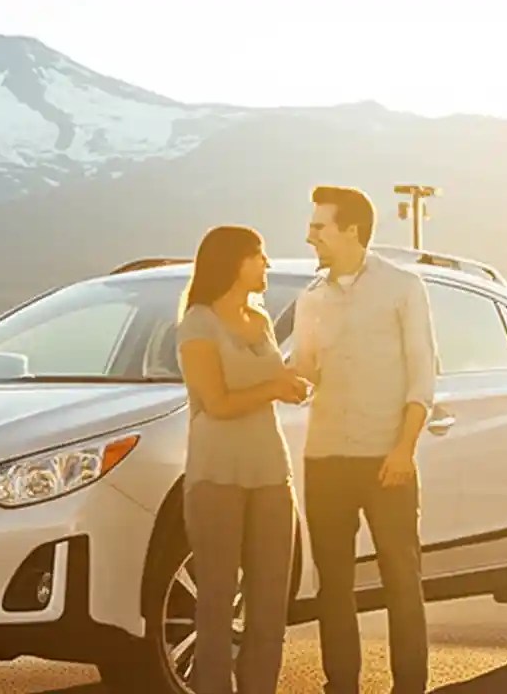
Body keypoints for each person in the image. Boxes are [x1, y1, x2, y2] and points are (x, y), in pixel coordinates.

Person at [292, 186, 438, 694]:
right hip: (325, 458)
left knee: (401, 578)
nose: (310, 236)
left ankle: (410, 687)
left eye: (319, 228)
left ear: (351, 230)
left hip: (386, 458)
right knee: (333, 585)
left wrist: (405, 449)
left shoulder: (403, 287)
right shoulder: (309, 298)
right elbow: (301, 371)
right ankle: (342, 687)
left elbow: (422, 374)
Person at [175, 225, 310, 694]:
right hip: (217, 476)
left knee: (270, 603)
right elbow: (215, 402)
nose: (267, 265)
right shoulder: (198, 323)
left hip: (272, 474)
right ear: (233, 262)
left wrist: (290, 385)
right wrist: (274, 387)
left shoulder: (263, 320)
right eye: (259, 256)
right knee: (215, 602)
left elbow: (261, 385)